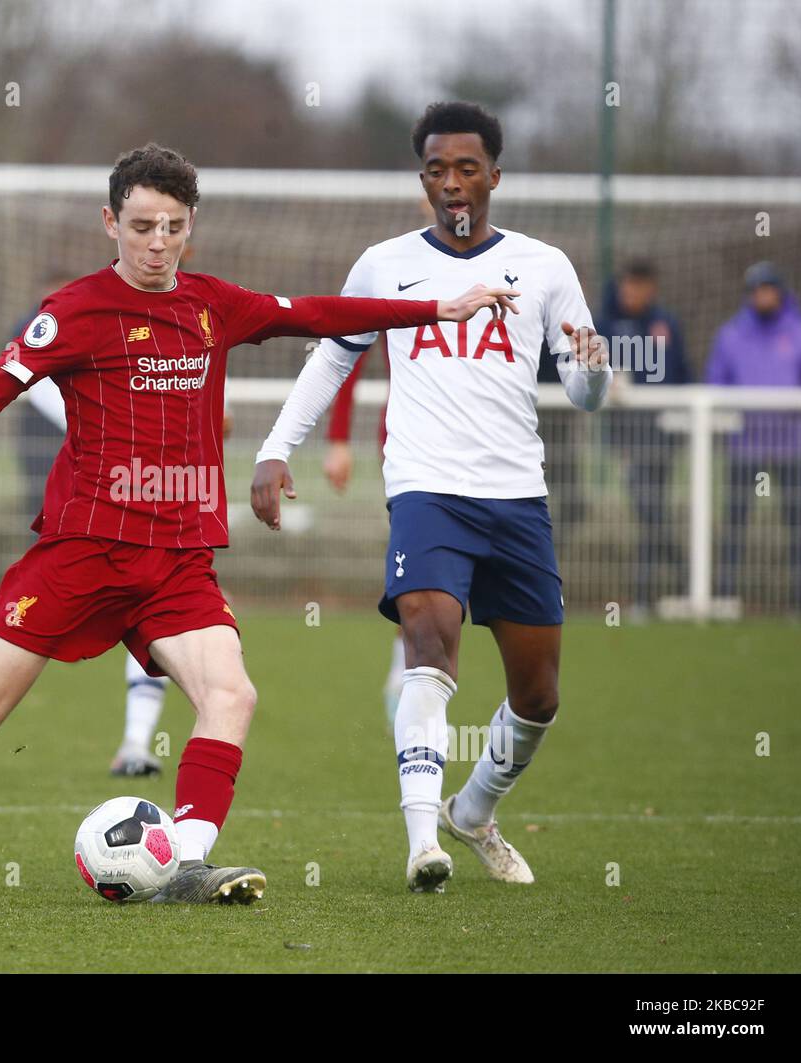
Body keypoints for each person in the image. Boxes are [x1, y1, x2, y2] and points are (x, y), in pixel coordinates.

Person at [0, 141, 515, 904]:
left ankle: (185, 862)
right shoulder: (74, 314)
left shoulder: (212, 304)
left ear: (192, 226)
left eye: (173, 226)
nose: (158, 243)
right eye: (142, 225)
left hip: (179, 560)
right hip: (84, 553)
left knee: (233, 696)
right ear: (110, 222)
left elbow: (318, 312)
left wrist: (436, 307)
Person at [251, 102, 611, 893]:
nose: (452, 183)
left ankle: (473, 810)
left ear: (494, 177)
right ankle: (423, 843)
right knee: (429, 638)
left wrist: (594, 365)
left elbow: (585, 393)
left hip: (517, 497)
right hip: (425, 489)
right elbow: (330, 360)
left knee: (539, 694)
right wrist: (277, 448)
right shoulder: (382, 264)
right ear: (422, 180)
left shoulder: (545, 265)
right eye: (437, 170)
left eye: (466, 168)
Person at [706, 261, 801, 612]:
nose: (763, 295)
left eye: (768, 288)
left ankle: (800, 601)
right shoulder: (732, 335)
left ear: (779, 291)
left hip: (791, 445)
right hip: (744, 446)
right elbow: (716, 382)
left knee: (797, 523)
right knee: (734, 521)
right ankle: (725, 597)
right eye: (756, 289)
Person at [320, 340, 407, 729]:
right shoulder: (394, 277)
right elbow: (350, 349)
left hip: (483, 444)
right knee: (422, 564)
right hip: (409, 443)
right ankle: (404, 677)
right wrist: (338, 438)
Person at [596, 260, 691, 613]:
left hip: (663, 436)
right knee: (650, 510)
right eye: (627, 285)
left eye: (638, 286)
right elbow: (589, 372)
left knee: (653, 510)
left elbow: (683, 373)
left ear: (651, 288)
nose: (631, 293)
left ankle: (647, 594)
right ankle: (674, 580)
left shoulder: (666, 323)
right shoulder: (604, 324)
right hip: (628, 439)